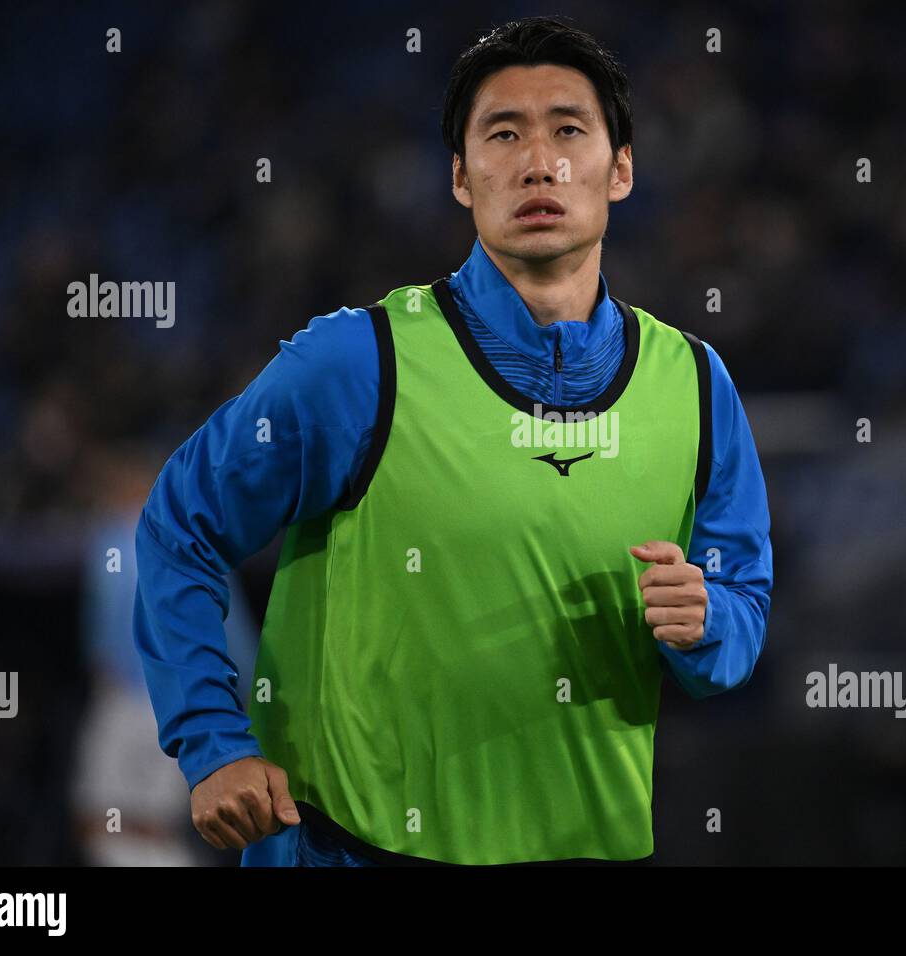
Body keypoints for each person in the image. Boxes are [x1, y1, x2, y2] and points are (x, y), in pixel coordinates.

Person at [133, 15, 772, 867]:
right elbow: (181, 526)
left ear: (620, 170)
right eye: (503, 134)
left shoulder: (695, 384)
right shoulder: (359, 364)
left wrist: (706, 625)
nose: (539, 162)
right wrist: (212, 741)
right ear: (462, 178)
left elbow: (742, 604)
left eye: (569, 131)